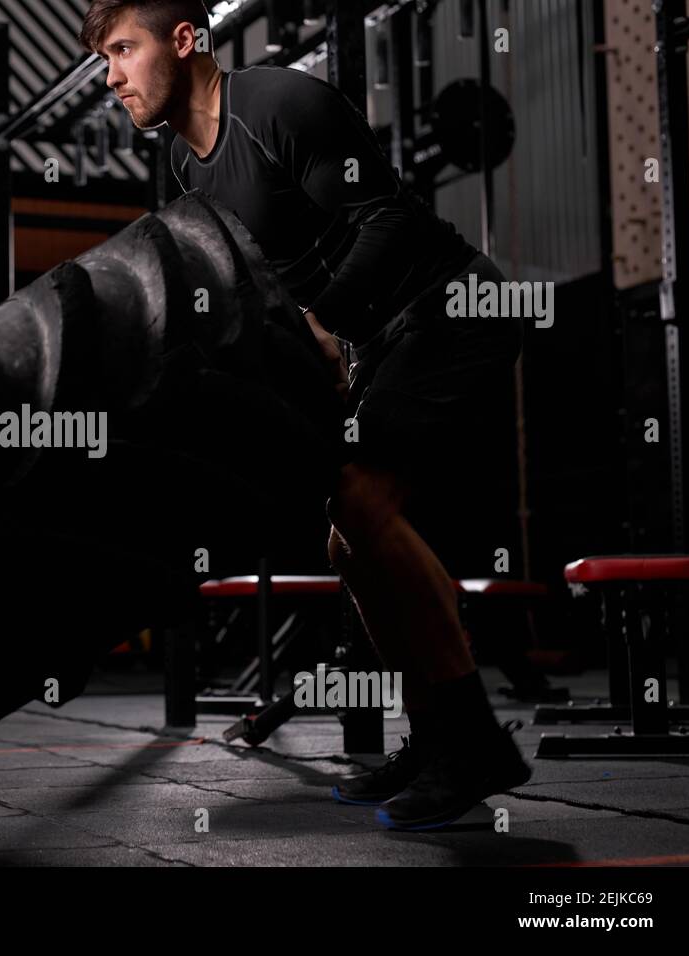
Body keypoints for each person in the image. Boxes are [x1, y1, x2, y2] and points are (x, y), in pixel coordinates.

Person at [78, 0, 531, 830]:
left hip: (453, 306)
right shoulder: (188, 169)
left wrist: (323, 321)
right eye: (105, 59)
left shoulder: (277, 105)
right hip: (384, 339)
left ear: (184, 40)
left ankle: (474, 743)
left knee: (363, 506)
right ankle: (436, 736)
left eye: (121, 51)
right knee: (347, 539)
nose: (111, 77)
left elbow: (388, 216)